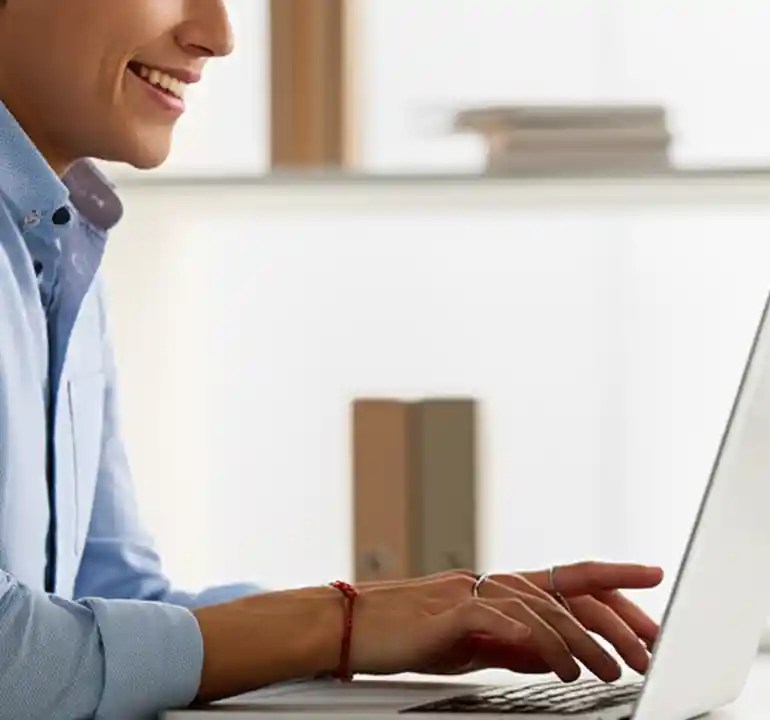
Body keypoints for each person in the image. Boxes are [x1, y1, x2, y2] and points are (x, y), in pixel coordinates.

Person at [0, 1, 666, 718]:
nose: (216, 37)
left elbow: (111, 607)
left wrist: (412, 617)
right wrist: (341, 623)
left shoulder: (59, 239)